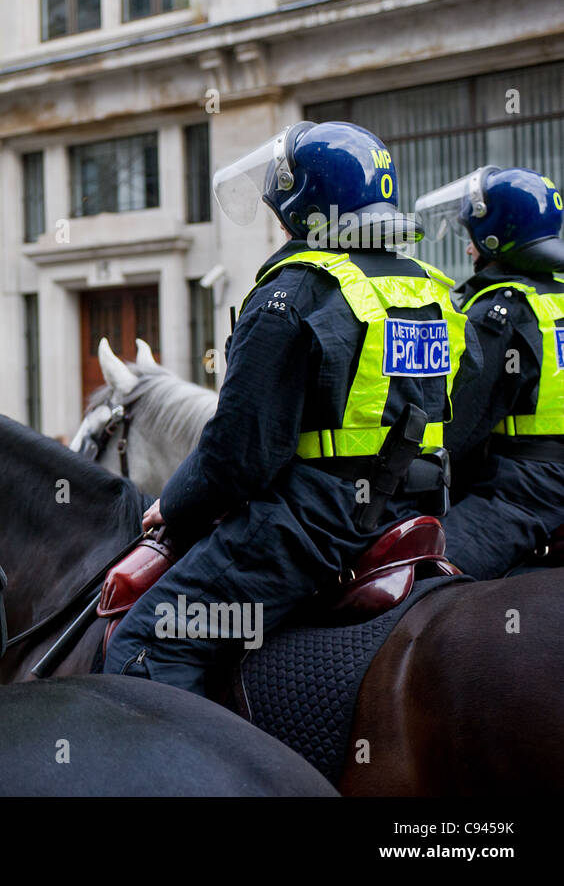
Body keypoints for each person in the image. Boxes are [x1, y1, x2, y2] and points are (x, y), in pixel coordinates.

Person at [102, 121, 472, 696]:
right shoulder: (426, 287)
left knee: (147, 643)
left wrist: (172, 505)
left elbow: (240, 458)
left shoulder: (294, 292)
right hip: (413, 511)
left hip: (314, 526)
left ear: (305, 207)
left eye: (282, 204)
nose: (276, 219)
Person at [415, 167, 564, 579]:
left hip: (523, 492)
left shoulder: (501, 313)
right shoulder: (556, 301)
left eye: (472, 237)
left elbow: (458, 427)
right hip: (548, 482)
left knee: (417, 575)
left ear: (494, 238)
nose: (468, 251)